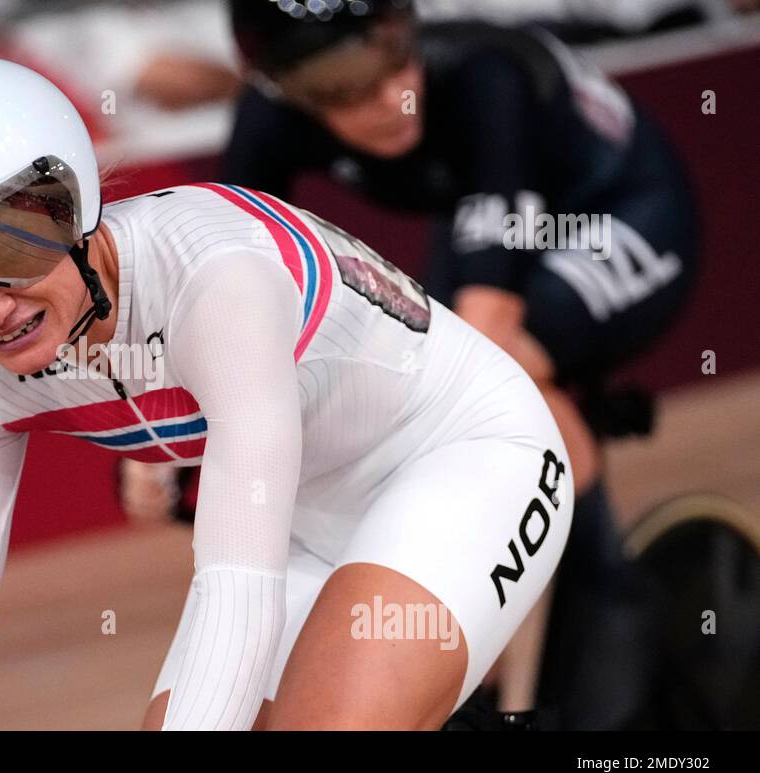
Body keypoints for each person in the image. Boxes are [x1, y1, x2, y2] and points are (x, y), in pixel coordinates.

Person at [0, 56, 573, 730]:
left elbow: (237, 586)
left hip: (462, 456)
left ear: (70, 204)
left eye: (2, 252)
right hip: (303, 521)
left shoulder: (215, 280)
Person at [220, 0, 698, 728]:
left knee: (495, 379)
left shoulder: (486, 79)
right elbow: (230, 294)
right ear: (287, 91)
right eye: (345, 86)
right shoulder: (266, 120)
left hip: (622, 209)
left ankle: (611, 594)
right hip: (496, 212)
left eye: (393, 57)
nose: (390, 97)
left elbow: (483, 343)